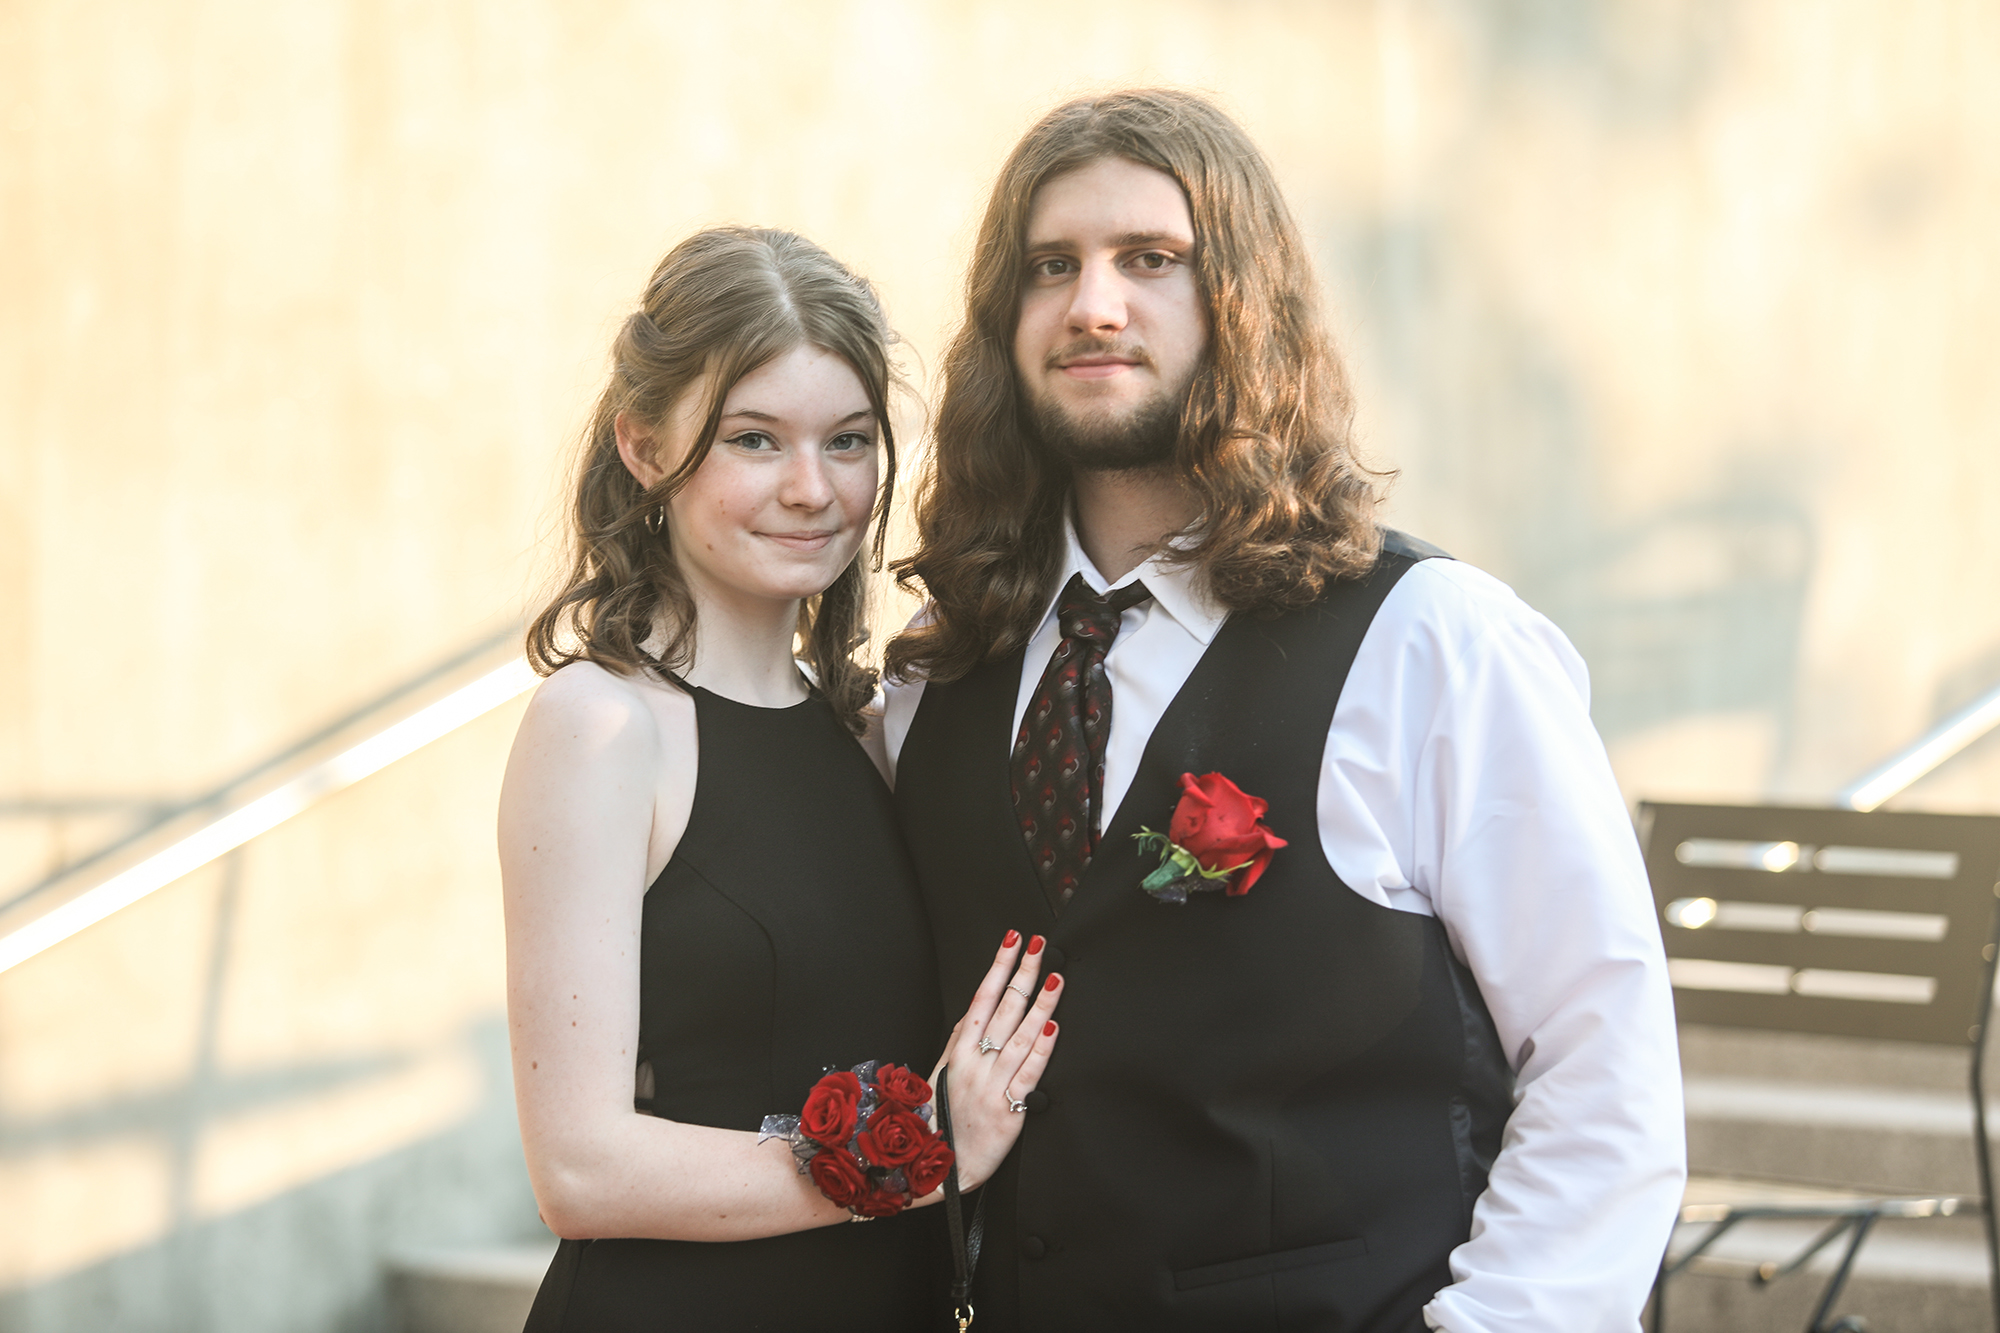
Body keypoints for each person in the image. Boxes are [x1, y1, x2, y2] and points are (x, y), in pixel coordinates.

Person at [880, 90, 1685, 1332]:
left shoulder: (1431, 641)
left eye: (1150, 260)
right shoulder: (934, 685)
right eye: (1052, 268)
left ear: (1242, 305)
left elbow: (1601, 1062)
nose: (1094, 304)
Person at [500, 226, 1062, 1332]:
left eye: (847, 442)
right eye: (754, 440)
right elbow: (579, 1167)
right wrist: (914, 1156)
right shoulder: (602, 726)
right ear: (642, 444)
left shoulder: (869, 726)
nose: (812, 490)